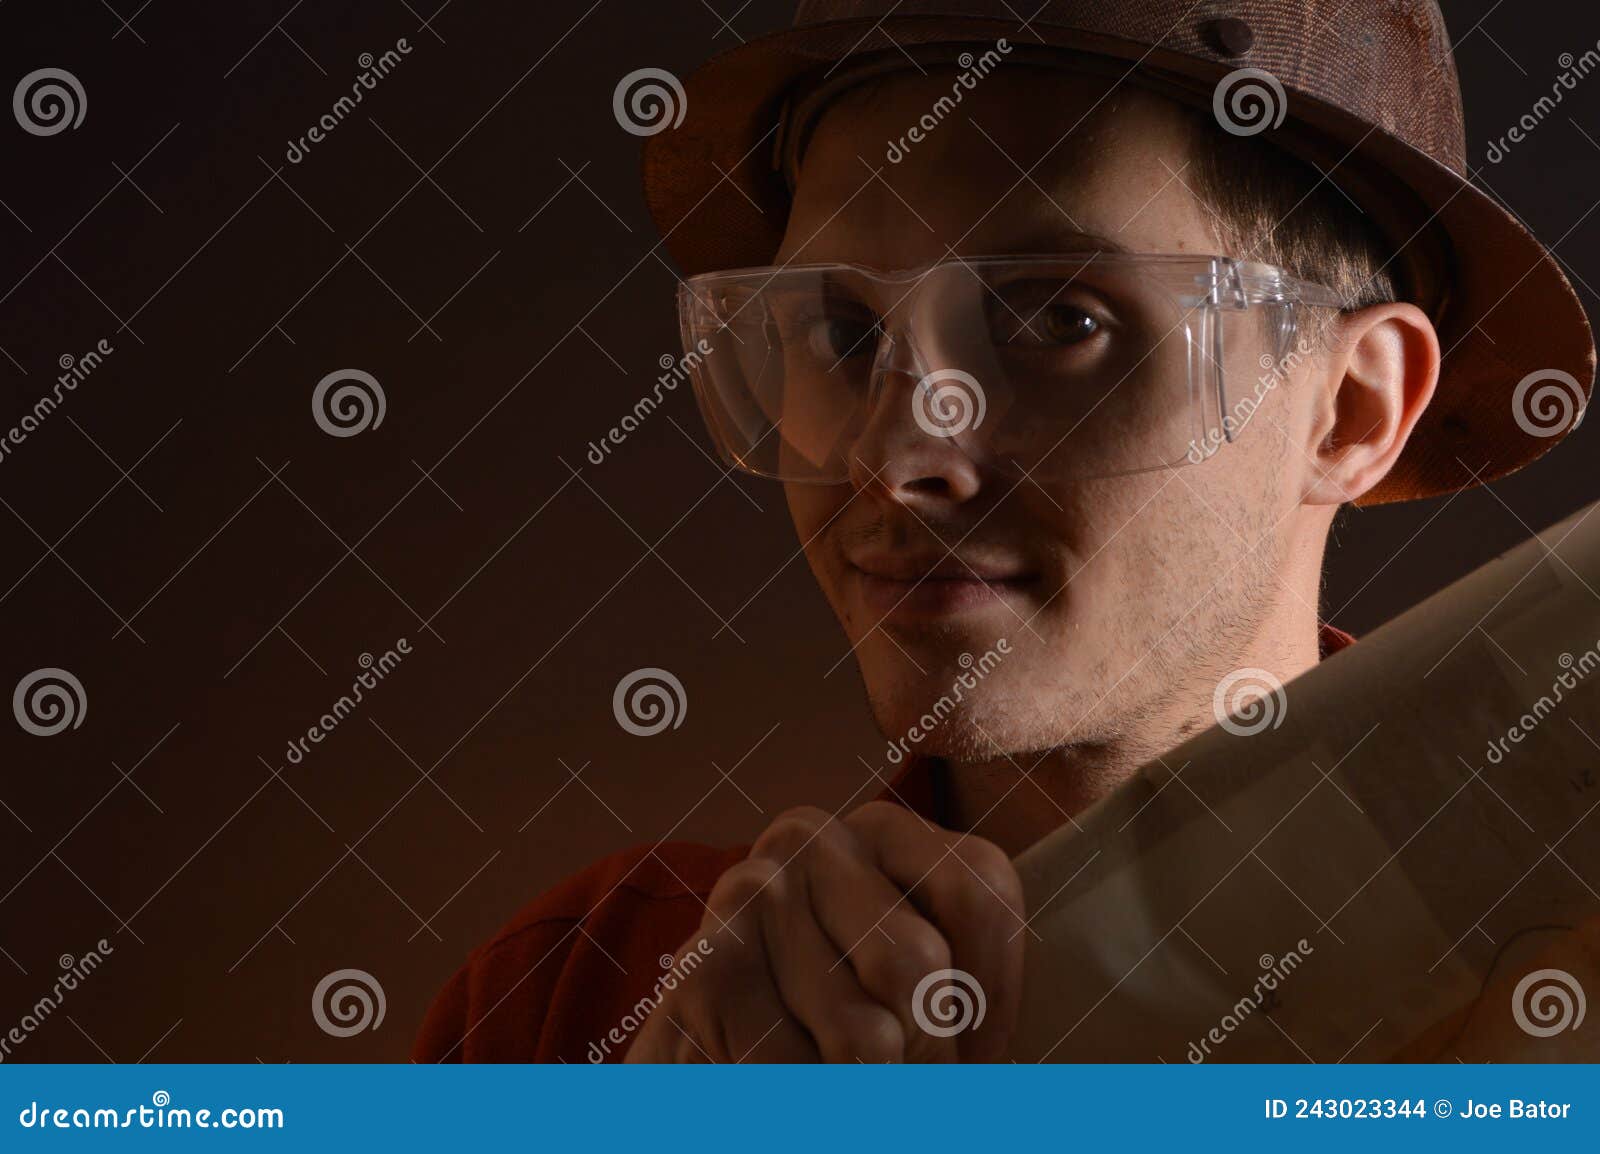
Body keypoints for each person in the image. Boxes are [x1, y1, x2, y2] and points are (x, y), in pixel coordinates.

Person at [414, 0, 1594, 1062]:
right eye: (837, 329)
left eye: (1052, 316)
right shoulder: (586, 1000)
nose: (895, 454)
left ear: (1351, 406)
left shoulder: (1545, 1014)